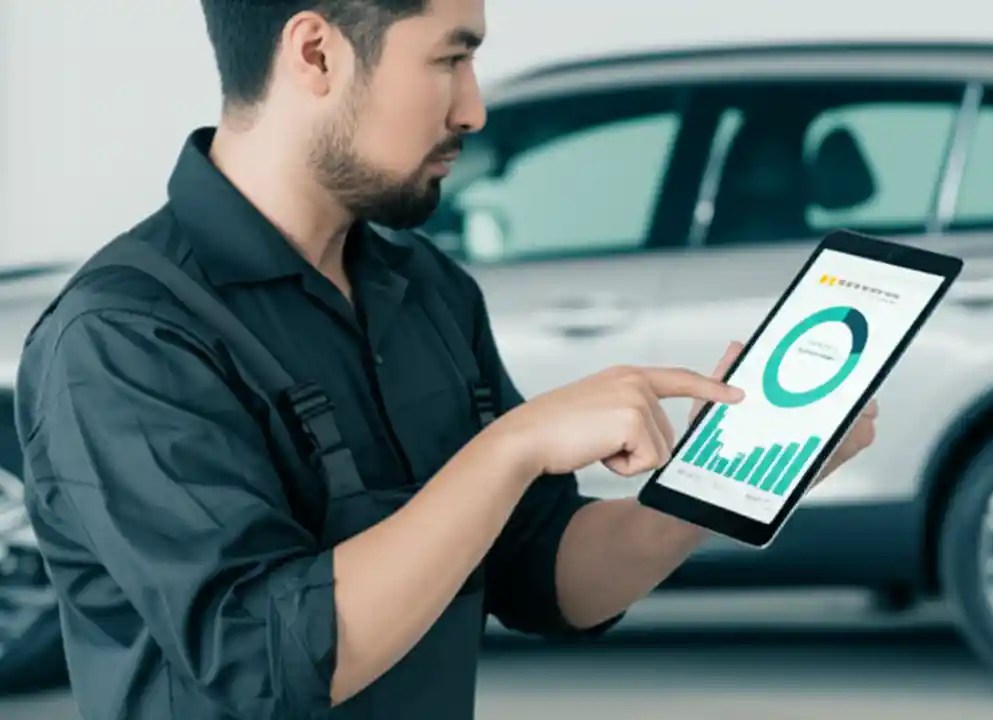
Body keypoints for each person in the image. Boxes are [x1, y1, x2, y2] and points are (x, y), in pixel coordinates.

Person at [14, 1, 879, 718]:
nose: (474, 109)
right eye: (449, 60)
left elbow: (542, 576)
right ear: (317, 53)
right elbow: (265, 663)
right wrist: (509, 448)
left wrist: (728, 483)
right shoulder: (124, 338)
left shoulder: (424, 289)